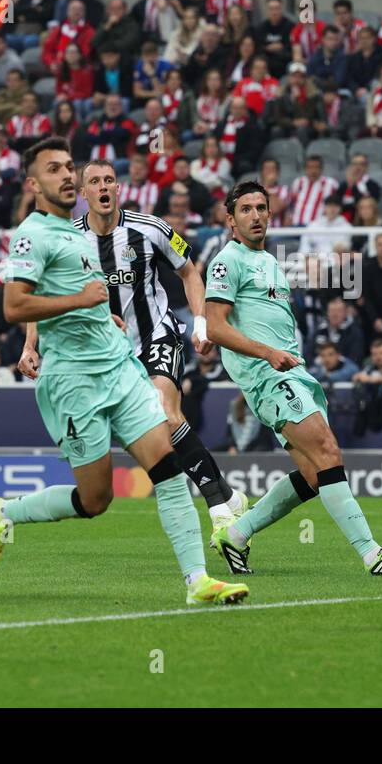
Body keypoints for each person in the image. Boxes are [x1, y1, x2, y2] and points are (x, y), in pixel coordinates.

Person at [0, 137, 248, 607]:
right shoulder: (31, 236)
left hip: (121, 362)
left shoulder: (117, 231)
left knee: (165, 463)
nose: (66, 175)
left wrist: (105, 317)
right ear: (35, 184)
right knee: (96, 499)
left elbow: (179, 272)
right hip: (74, 381)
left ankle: (197, 579)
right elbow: (15, 305)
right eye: (56, 170)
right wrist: (43, 334)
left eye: (69, 166)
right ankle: (5, 511)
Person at [204, 181, 382, 576]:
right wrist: (267, 353)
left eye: (261, 208)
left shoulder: (270, 260)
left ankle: (236, 535)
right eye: (246, 209)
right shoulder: (227, 261)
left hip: (293, 372)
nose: (256, 216)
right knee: (328, 451)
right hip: (268, 376)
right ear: (230, 218)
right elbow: (216, 327)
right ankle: (372, 554)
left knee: (312, 473)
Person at [29, 156, 250, 529]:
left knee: (165, 412)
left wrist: (200, 322)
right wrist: (29, 345)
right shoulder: (68, 241)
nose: (103, 187)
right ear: (83, 193)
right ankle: (228, 494)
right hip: (107, 353)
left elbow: (189, 272)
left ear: (119, 188)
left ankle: (218, 508)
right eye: (95, 182)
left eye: (109, 180)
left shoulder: (151, 228)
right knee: (149, 433)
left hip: (155, 334)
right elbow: (41, 294)